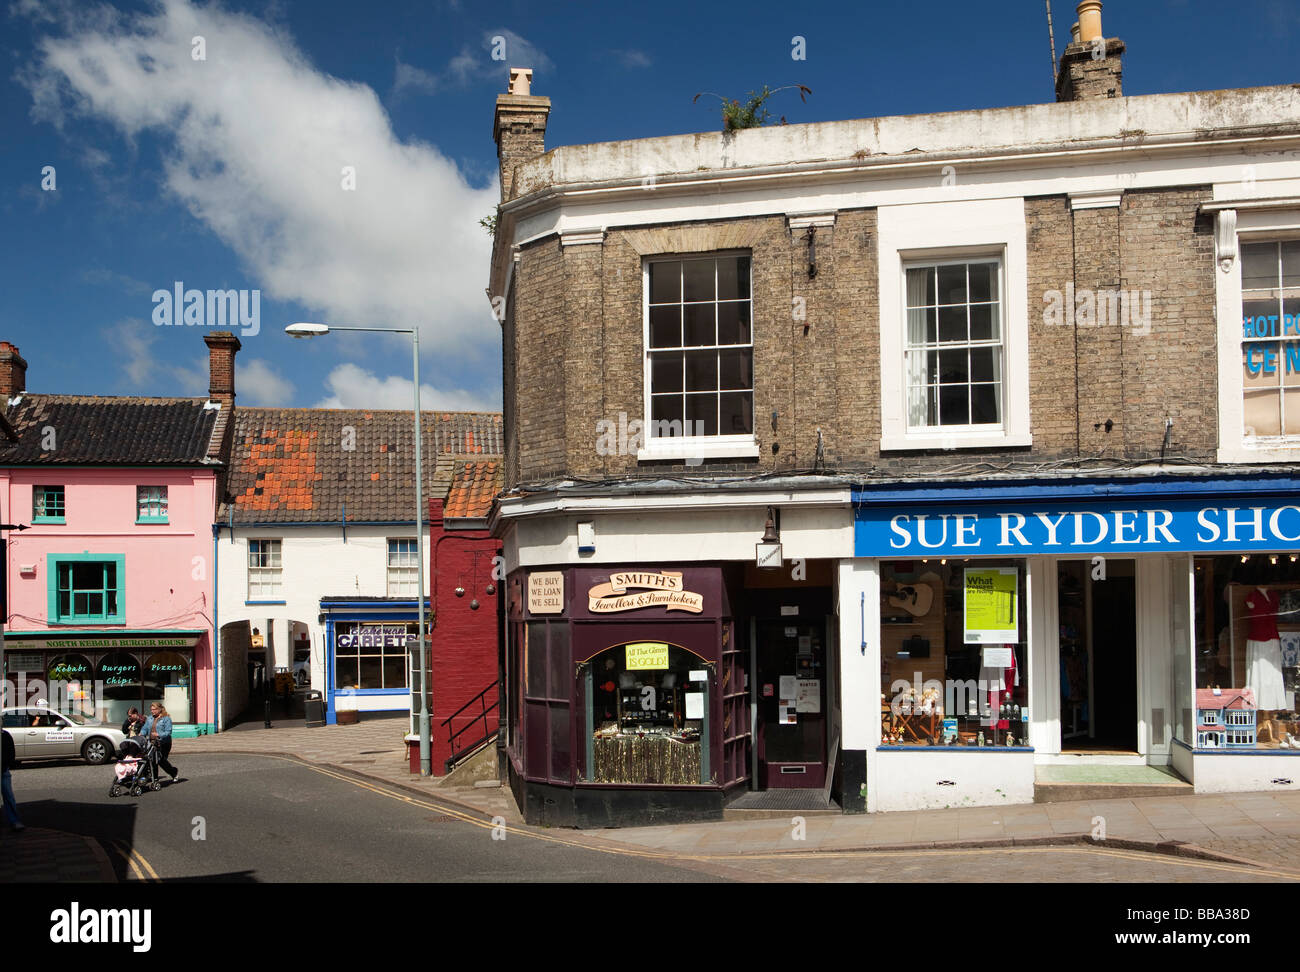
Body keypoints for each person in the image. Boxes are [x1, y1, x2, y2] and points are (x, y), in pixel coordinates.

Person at [141, 703, 180, 784]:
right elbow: (145, 728)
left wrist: (159, 734)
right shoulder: (150, 718)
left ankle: (173, 772)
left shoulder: (166, 718)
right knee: (152, 760)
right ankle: (154, 779)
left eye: (154, 709)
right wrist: (142, 733)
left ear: (159, 709)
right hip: (152, 742)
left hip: (163, 743)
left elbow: (168, 732)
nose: (152, 711)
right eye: (151, 709)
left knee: (161, 760)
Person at [2, 729, 23, 831]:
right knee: (9, 796)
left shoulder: (5, 735)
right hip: (4, 769)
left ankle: (14, 820)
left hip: (3, 770)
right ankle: (14, 821)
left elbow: (11, 752)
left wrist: (7, 764)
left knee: (9, 796)